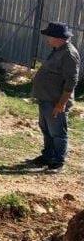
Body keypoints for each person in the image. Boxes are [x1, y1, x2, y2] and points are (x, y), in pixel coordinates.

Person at [29, 22, 81, 172]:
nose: (47, 39)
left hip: (55, 101)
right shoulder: (57, 49)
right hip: (46, 98)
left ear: (58, 38)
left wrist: (61, 104)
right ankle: (47, 156)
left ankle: (58, 162)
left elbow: (71, 80)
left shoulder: (69, 54)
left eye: (50, 36)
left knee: (57, 132)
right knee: (46, 129)